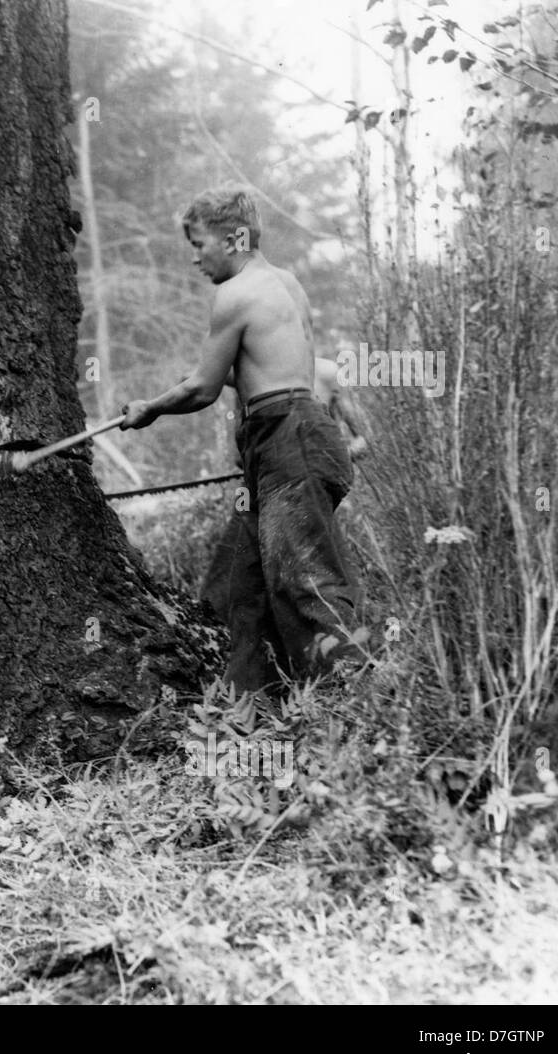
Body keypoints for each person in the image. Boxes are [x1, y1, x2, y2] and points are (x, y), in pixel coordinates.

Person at [121, 186, 363, 693]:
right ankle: (244, 704)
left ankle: (352, 703)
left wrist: (149, 410)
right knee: (239, 585)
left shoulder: (234, 295)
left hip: (289, 440)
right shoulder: (286, 284)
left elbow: (203, 388)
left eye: (200, 244)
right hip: (292, 438)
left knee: (304, 579)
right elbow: (267, 369)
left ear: (234, 239)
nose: (194, 258)